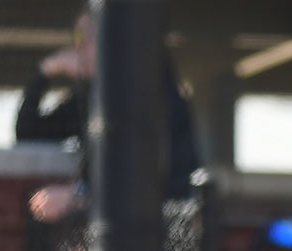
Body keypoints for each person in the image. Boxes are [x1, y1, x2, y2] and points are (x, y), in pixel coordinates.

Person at [15, 8, 204, 224]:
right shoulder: (93, 96)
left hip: (161, 233)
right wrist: (44, 72)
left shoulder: (151, 93)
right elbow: (28, 134)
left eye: (87, 39)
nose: (79, 49)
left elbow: (140, 179)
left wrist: (77, 197)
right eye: (78, 40)